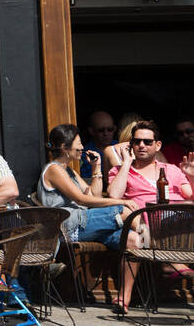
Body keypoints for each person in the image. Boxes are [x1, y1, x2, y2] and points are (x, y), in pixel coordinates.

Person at [39, 123, 144, 313]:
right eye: (78, 143)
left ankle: (123, 298)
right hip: (68, 226)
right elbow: (80, 199)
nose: (82, 148)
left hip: (86, 224)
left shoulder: (70, 171)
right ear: (64, 147)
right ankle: (159, 242)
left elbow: (93, 197)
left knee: (134, 240)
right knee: (124, 210)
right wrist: (116, 202)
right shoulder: (54, 169)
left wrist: (96, 168)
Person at [107, 120, 194, 210]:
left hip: (179, 218)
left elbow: (191, 196)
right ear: (132, 144)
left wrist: (192, 177)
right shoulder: (120, 171)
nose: (141, 145)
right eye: (137, 141)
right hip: (144, 221)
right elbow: (114, 195)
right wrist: (126, 163)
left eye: (147, 142)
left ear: (158, 146)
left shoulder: (172, 170)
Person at [81, 110, 116, 182]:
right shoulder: (84, 154)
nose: (106, 133)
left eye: (110, 129)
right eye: (101, 130)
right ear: (91, 131)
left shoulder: (120, 147)